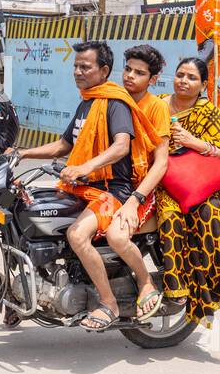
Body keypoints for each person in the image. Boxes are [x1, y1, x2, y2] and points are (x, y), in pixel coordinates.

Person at [14, 40, 161, 332]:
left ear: (103, 70)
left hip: (112, 190)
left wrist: (86, 166)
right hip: (84, 186)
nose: (78, 72)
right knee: (29, 208)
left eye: (86, 67)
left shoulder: (115, 103)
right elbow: (63, 145)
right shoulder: (88, 101)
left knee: (77, 235)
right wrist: (21, 153)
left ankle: (110, 303)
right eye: (76, 66)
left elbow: (121, 147)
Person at [154, 57, 220, 327]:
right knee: (170, 220)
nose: (184, 81)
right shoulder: (158, 104)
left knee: (210, 215)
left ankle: (214, 282)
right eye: (180, 74)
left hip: (198, 184)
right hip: (164, 182)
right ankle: (177, 291)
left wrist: (194, 143)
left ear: (203, 84)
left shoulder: (211, 113)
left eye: (191, 77)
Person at [113, 44, 171, 321]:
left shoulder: (156, 107)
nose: (130, 76)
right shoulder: (112, 98)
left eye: (139, 72)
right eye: (127, 69)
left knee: (118, 235)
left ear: (153, 79)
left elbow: (161, 162)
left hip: (141, 188)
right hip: (108, 183)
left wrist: (135, 199)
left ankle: (145, 280)